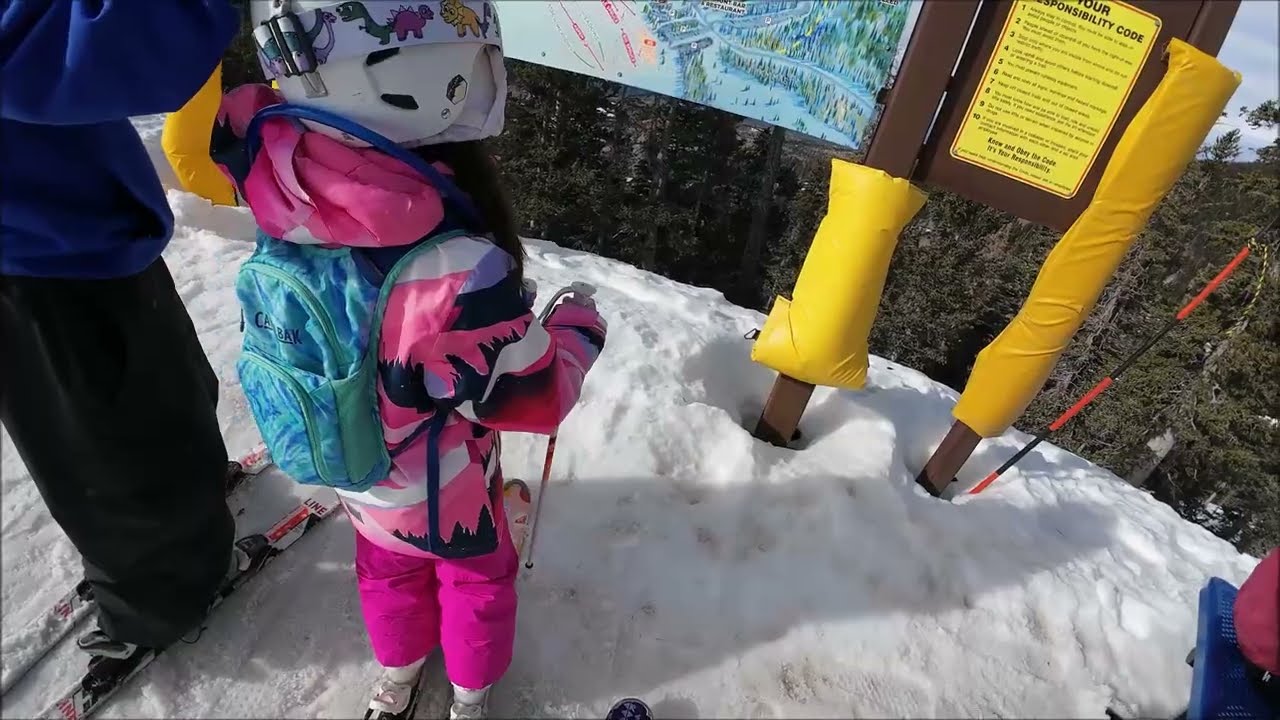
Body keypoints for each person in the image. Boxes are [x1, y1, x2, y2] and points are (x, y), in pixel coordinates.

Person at [214, 2, 607, 718]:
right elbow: (535, 395)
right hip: (446, 494)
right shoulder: (456, 267)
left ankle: (395, 683)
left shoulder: (285, 197)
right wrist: (579, 328)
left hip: (357, 474)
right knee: (476, 581)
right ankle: (468, 695)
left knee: (388, 574)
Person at [0, 0, 246, 682]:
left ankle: (190, 497)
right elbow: (136, 44)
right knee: (109, 452)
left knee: (164, 392)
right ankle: (160, 595)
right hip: (41, 260)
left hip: (79, 229)